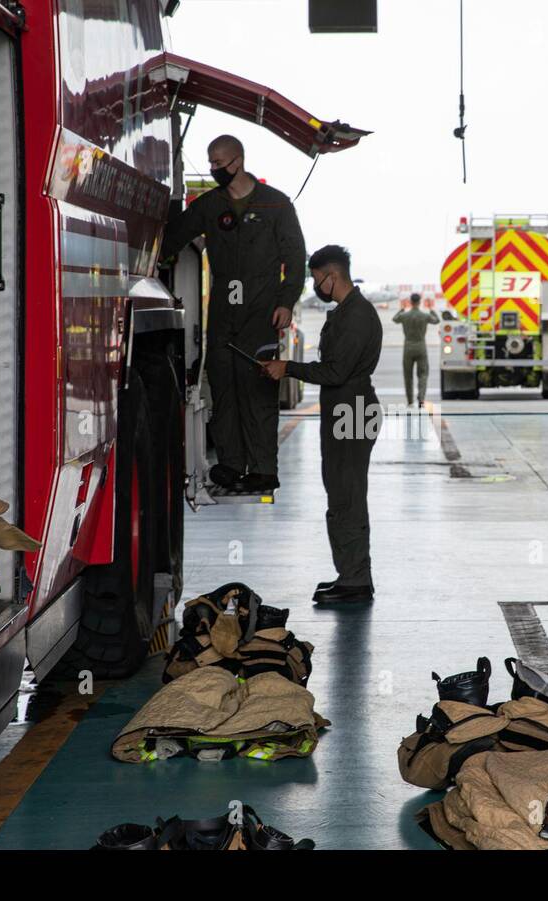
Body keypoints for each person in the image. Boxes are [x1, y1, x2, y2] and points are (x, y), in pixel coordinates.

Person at [162, 134, 305, 493]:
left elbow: (296, 260)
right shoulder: (209, 206)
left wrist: (286, 301)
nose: (214, 170)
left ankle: (262, 468)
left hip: (262, 314)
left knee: (257, 390)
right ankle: (230, 463)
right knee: (223, 388)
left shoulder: (277, 206)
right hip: (224, 314)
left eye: (219, 163)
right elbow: (173, 237)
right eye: (210, 163)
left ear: (238, 160)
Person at [261, 246, 382, 605]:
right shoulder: (346, 311)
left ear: (333, 275)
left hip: (353, 411)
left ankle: (356, 581)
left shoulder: (356, 316)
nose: (316, 285)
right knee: (342, 494)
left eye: (317, 278)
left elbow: (336, 371)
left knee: (347, 496)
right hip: (346, 410)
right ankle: (350, 575)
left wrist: (290, 367)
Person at [392, 292, 440, 407]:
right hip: (421, 346)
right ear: (419, 302)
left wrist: (402, 309)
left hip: (408, 347)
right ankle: (421, 399)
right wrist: (431, 309)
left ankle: (410, 400)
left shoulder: (404, 316)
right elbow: (437, 320)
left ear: (411, 302)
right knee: (423, 374)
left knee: (408, 375)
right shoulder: (424, 316)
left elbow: (394, 319)